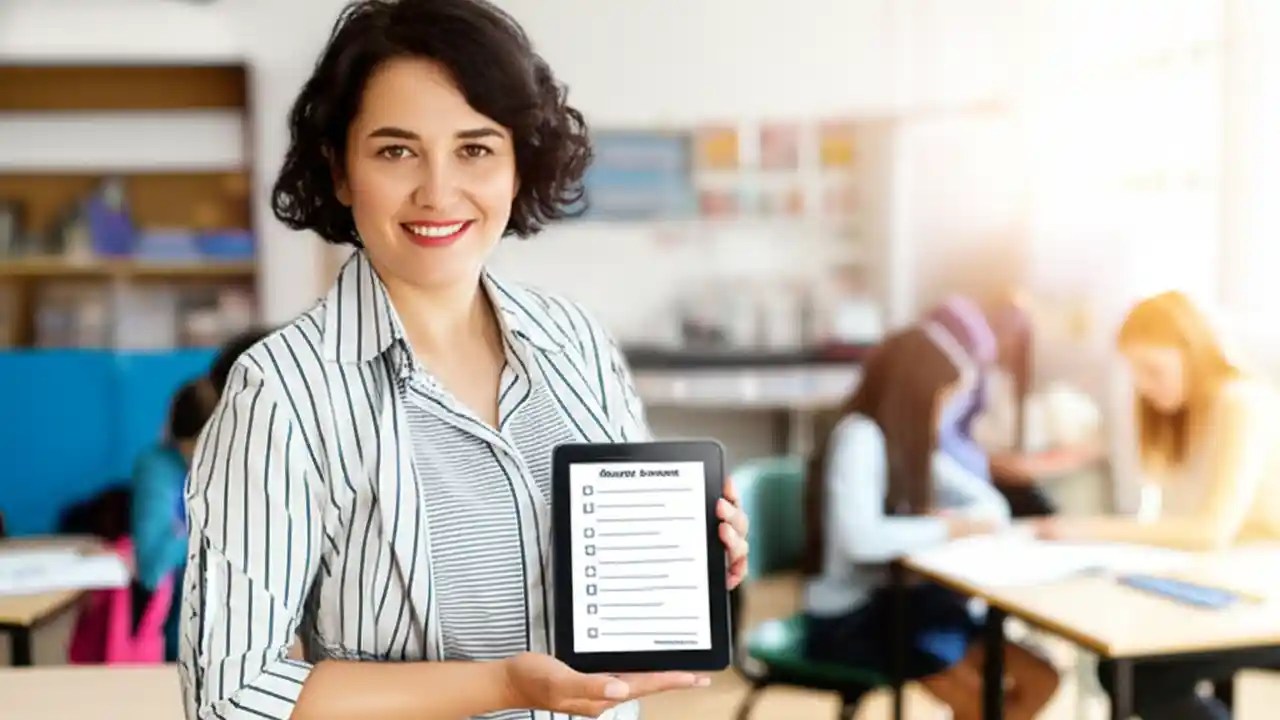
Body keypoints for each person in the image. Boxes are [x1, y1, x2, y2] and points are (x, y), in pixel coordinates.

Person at [177, 2, 750, 719]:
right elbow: (230, 698)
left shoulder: (576, 341)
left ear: (518, 164)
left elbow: (615, 615)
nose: (438, 191)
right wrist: (502, 687)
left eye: (475, 149)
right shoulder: (280, 393)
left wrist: (682, 567)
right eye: (396, 151)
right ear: (341, 170)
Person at [1036, 291, 1280, 720]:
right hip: (1221, 589)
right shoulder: (1181, 415)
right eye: (1136, 373)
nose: (1145, 386)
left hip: (1261, 599)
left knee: (1143, 676)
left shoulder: (1242, 401)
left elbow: (1210, 531)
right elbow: (1174, 523)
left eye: (1153, 370)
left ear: (1194, 353)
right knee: (1122, 668)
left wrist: (1086, 529)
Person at [803, 324, 1059, 720]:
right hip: (853, 618)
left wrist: (952, 520)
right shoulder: (861, 437)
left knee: (1042, 678)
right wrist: (948, 528)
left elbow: (991, 507)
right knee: (980, 704)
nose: (944, 418)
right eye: (942, 403)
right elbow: (861, 539)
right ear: (914, 397)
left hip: (913, 606)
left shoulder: (913, 446)